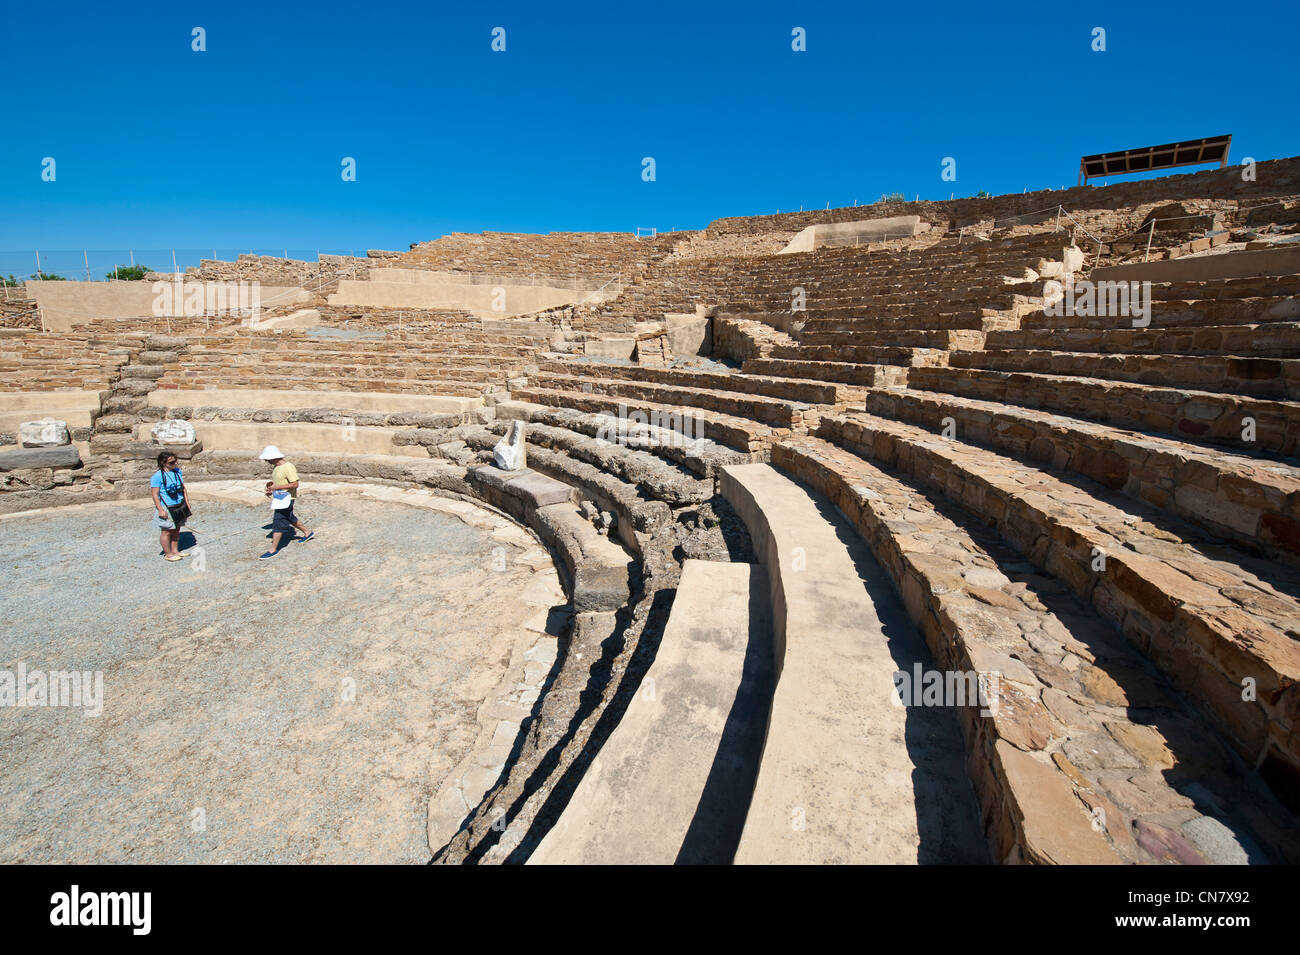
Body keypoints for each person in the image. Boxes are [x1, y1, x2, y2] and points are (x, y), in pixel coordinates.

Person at [258, 445, 313, 560]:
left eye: (268, 459)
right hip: (280, 499)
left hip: (287, 500)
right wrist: (272, 489)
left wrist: (276, 487)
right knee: (289, 518)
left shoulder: (288, 467)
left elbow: (295, 484)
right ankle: (307, 532)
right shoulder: (276, 468)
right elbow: (279, 483)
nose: (267, 461)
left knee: (278, 522)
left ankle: (273, 549)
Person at [150, 451, 192, 561]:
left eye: (175, 461)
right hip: (166, 506)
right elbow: (155, 494)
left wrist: (187, 502)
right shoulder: (157, 476)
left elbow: (183, 488)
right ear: (163, 463)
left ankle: (175, 550)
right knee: (167, 531)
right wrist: (160, 510)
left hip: (179, 504)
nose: (175, 464)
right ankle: (168, 554)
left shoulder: (177, 472)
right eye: (172, 462)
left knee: (177, 529)